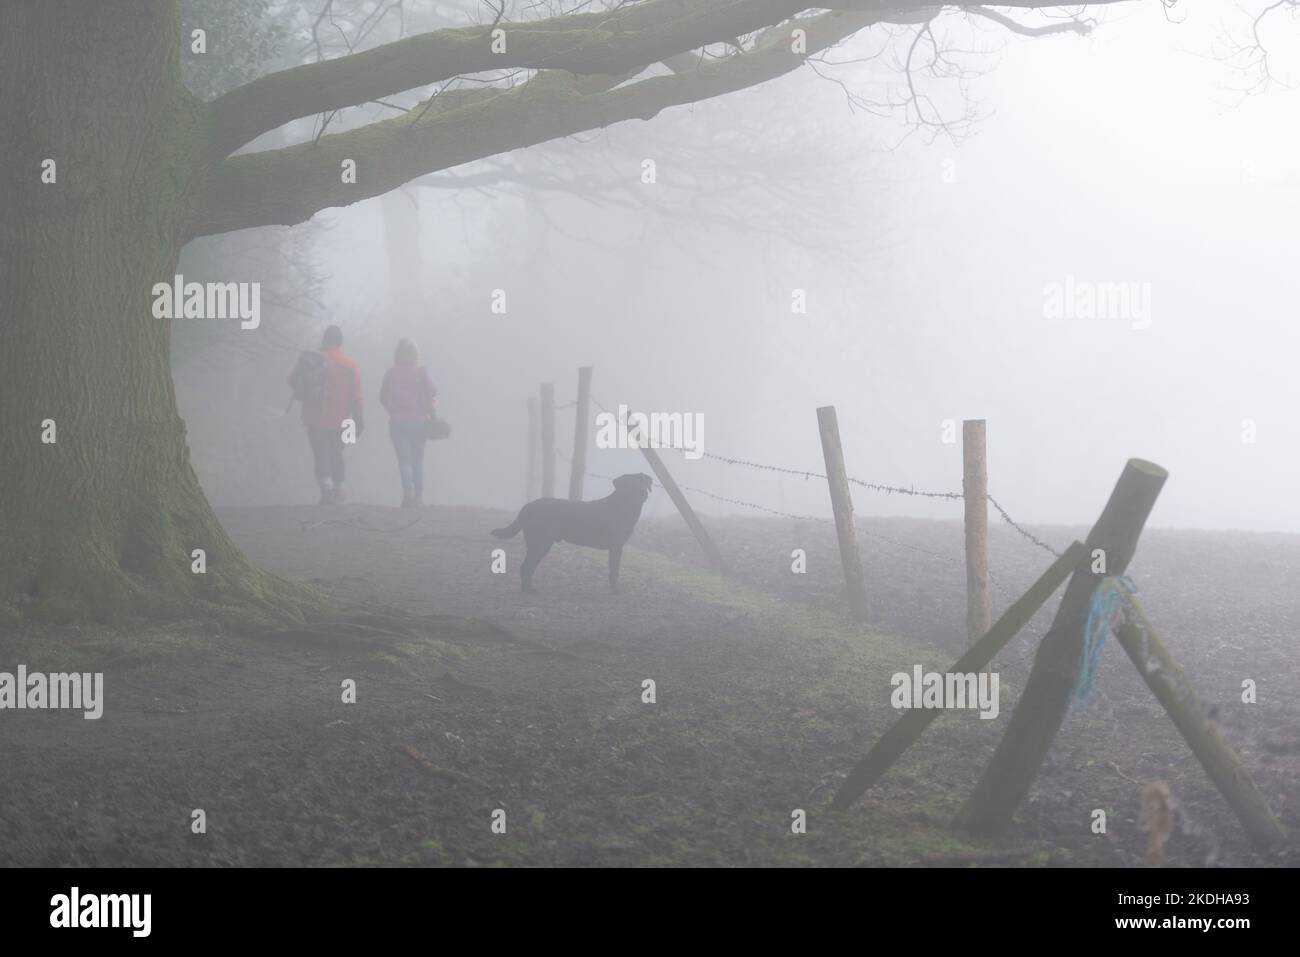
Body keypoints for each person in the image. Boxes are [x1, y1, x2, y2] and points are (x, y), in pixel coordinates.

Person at [288, 324, 363, 504]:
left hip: (315, 416)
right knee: (337, 452)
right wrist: (359, 418)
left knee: (320, 453)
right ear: (340, 341)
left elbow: (291, 380)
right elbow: (357, 394)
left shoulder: (312, 360)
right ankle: (339, 490)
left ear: (324, 340)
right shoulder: (350, 364)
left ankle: (327, 490)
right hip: (342, 418)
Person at [379, 337, 437, 507]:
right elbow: (433, 392)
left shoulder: (390, 373)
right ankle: (419, 497)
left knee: (404, 459)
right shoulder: (421, 372)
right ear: (415, 354)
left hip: (398, 423)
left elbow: (382, 397)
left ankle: (407, 494)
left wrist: (392, 410)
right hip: (420, 422)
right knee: (417, 460)